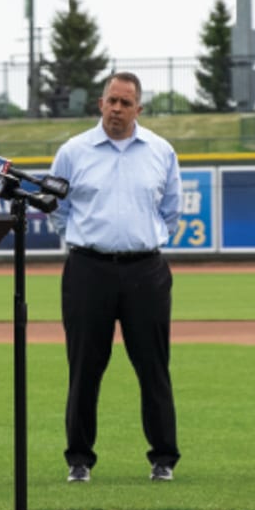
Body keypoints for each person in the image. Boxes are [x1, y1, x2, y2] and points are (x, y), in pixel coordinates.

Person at [50, 72, 181, 483]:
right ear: (100, 104)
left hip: (146, 269)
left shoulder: (160, 151)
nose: (117, 110)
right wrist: (86, 238)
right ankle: (79, 460)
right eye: (112, 101)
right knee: (85, 367)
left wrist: (143, 238)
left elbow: (171, 210)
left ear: (138, 109)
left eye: (126, 103)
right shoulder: (74, 151)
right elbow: (56, 206)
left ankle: (163, 458)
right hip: (88, 269)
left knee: (153, 367)